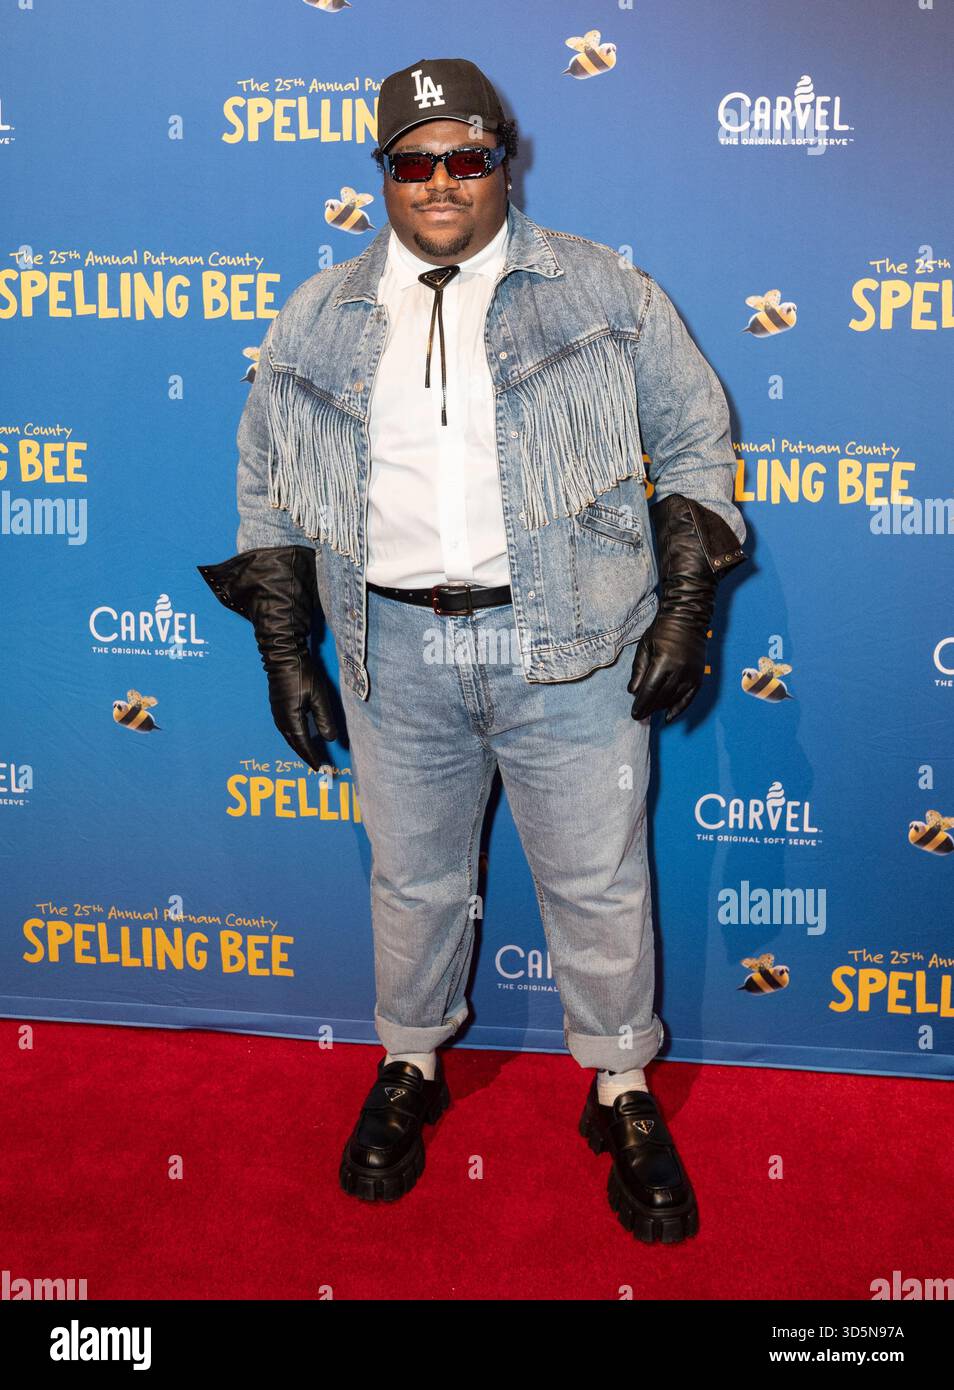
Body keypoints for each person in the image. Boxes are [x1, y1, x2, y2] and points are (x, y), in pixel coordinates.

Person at [198, 57, 748, 1246]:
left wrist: (686, 601)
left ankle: (620, 1086)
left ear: (505, 158)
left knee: (597, 877)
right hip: (391, 646)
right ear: (381, 176)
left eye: (467, 157)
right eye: (413, 162)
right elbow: (269, 490)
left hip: (573, 643)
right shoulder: (316, 314)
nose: (441, 183)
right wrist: (288, 651)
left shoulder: (605, 292)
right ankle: (411, 1065)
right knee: (412, 878)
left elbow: (700, 441)